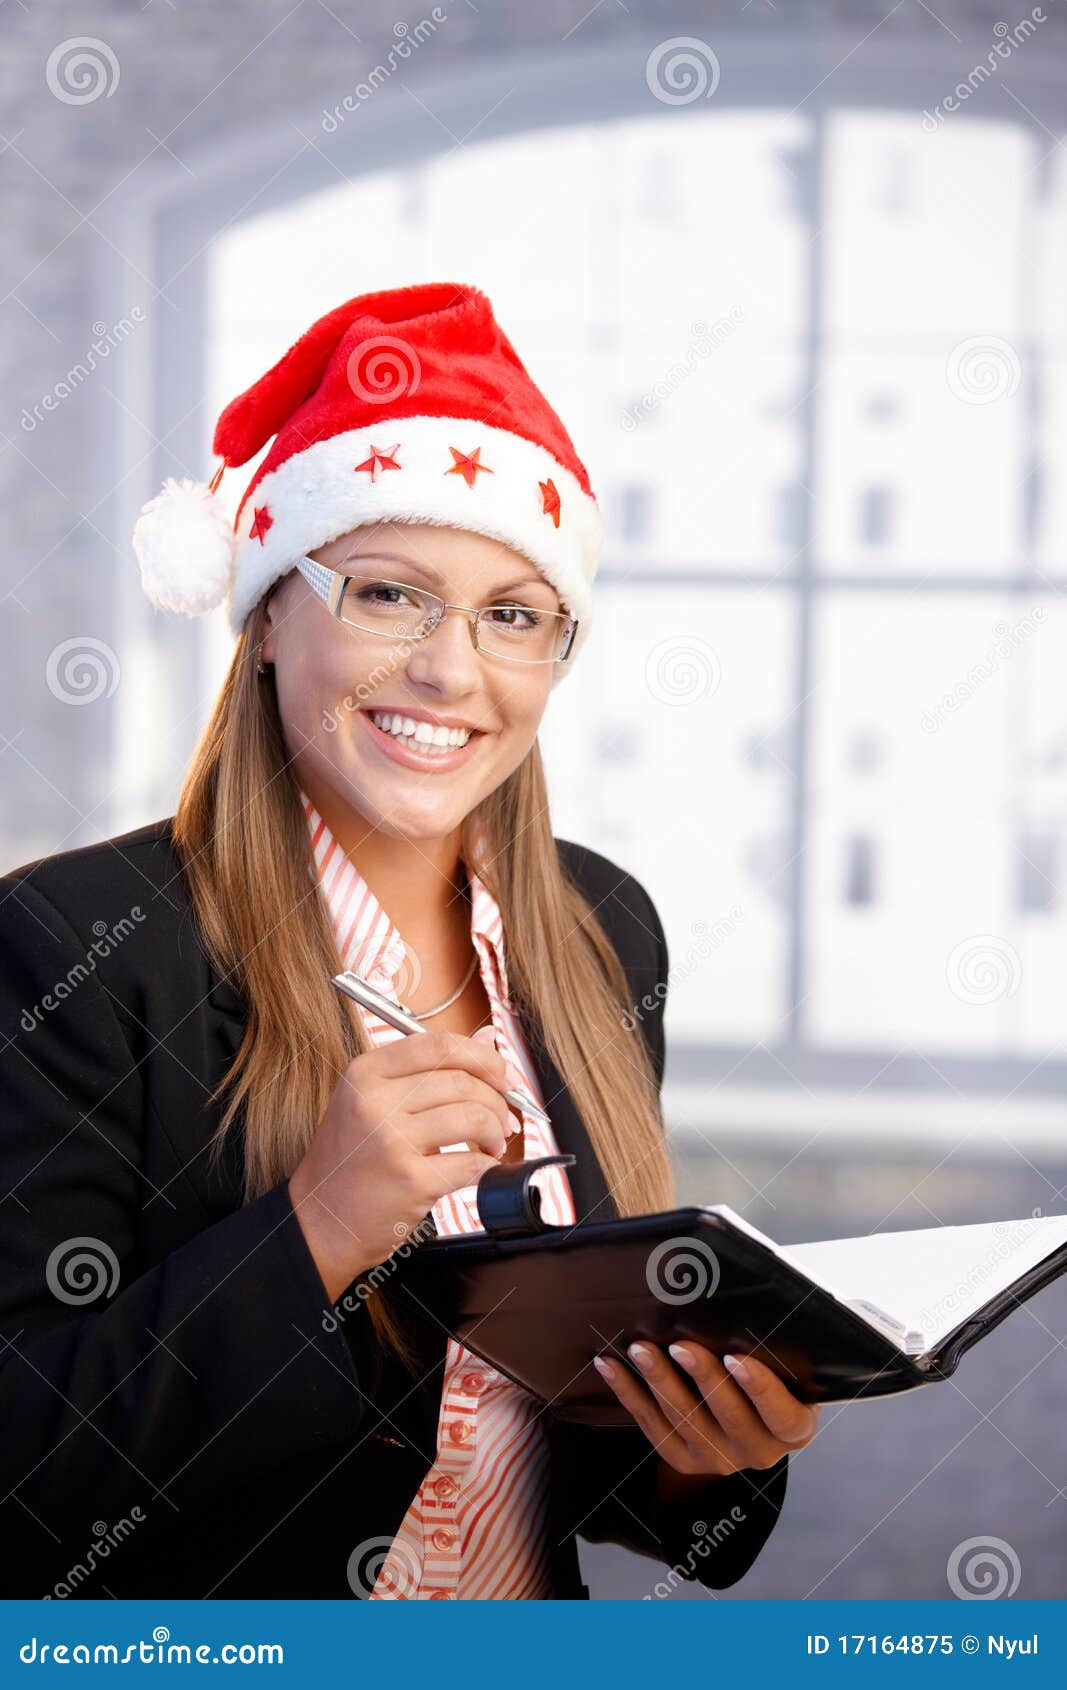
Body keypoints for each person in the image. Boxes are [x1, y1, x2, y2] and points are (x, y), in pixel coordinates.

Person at [0, 281, 818, 1600]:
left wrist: (702, 1458)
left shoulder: (602, 933)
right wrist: (314, 1228)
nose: (452, 670)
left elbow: (583, 1474)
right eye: (389, 594)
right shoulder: (77, 946)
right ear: (268, 615)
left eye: (513, 613)